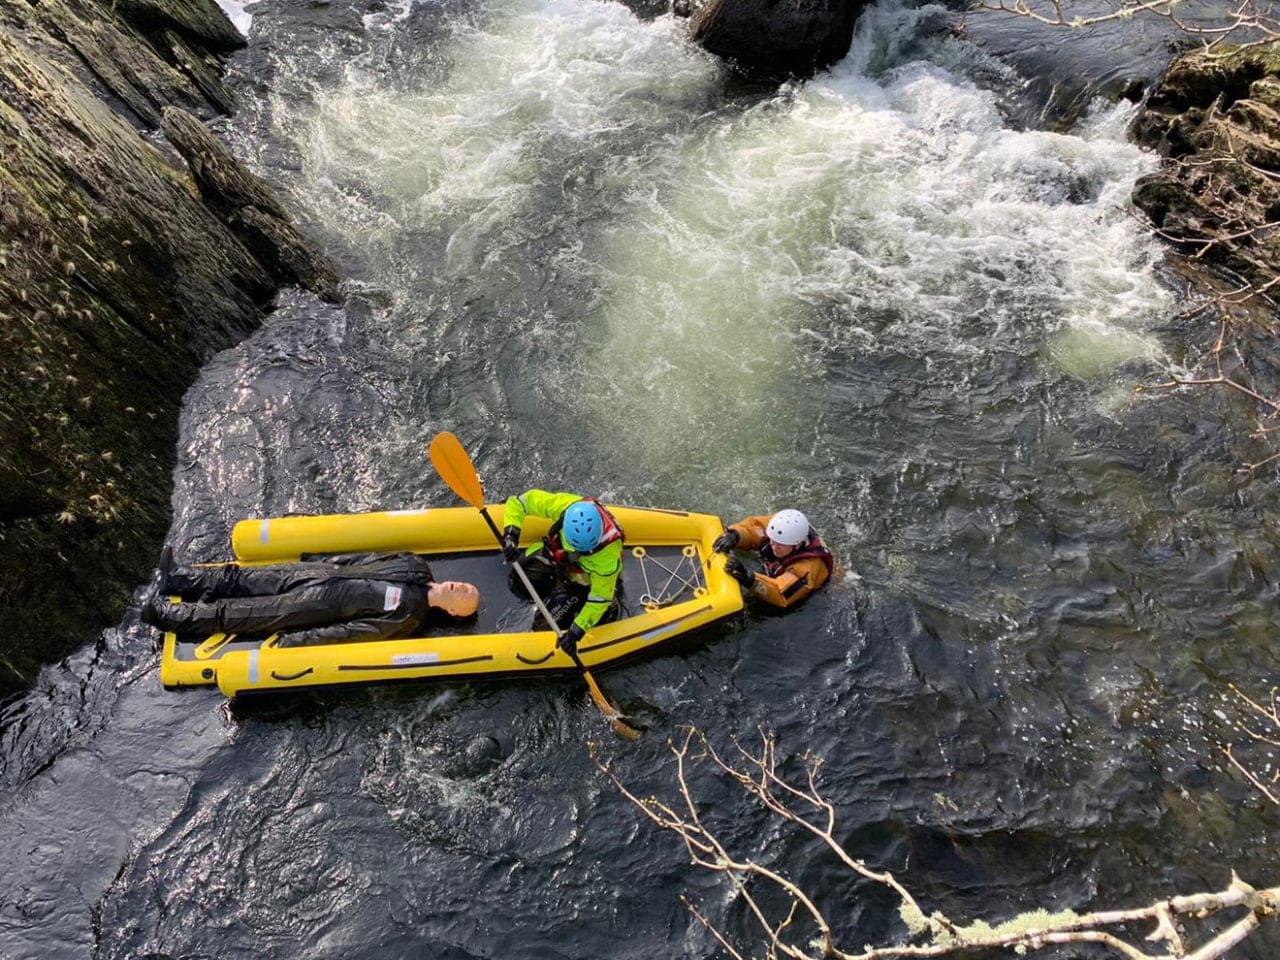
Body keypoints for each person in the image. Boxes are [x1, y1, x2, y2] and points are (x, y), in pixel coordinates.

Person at [141, 548, 479, 646]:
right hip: (317, 575)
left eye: (465, 597)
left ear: (455, 614)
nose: (462, 588)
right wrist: (322, 562)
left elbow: (353, 633)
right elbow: (363, 560)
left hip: (314, 607)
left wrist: (300, 640)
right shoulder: (414, 564)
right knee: (241, 577)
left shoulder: (408, 618)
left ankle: (166, 616)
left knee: (236, 612)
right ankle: (177, 579)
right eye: (466, 585)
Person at [500, 490, 625, 656]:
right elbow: (521, 502)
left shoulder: (607, 555)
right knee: (520, 579)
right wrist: (511, 535)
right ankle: (551, 590)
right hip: (559, 565)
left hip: (582, 584)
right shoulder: (568, 506)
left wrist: (576, 631)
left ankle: (598, 611)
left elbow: (599, 598)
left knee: (543, 627)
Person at [712, 509, 834, 609]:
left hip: (820, 592)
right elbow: (753, 529)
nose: (773, 546)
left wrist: (748, 577)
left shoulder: (807, 567)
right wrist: (735, 536)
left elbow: (780, 593)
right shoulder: (778, 527)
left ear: (797, 544)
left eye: (780, 544)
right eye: (772, 541)